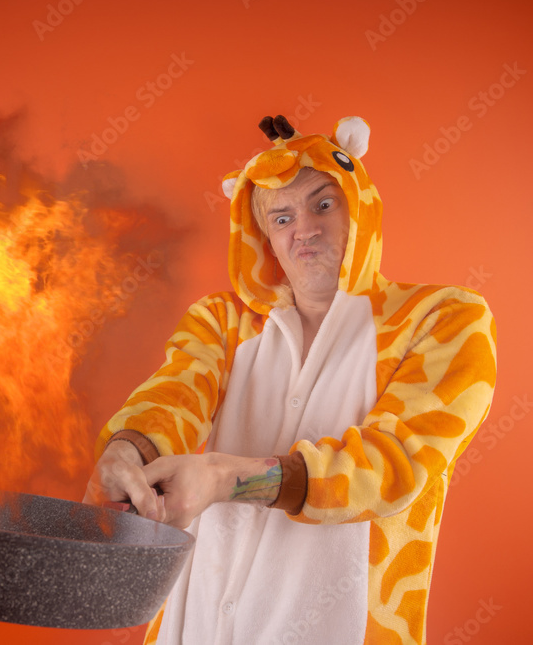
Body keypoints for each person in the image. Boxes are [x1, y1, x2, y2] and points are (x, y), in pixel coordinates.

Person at [84, 114, 497, 644]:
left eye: (323, 204)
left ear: (361, 210)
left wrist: (224, 477)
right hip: (196, 625)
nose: (303, 228)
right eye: (280, 218)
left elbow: (395, 464)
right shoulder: (222, 322)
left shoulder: (444, 319)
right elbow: (176, 393)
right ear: (264, 239)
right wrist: (128, 452)